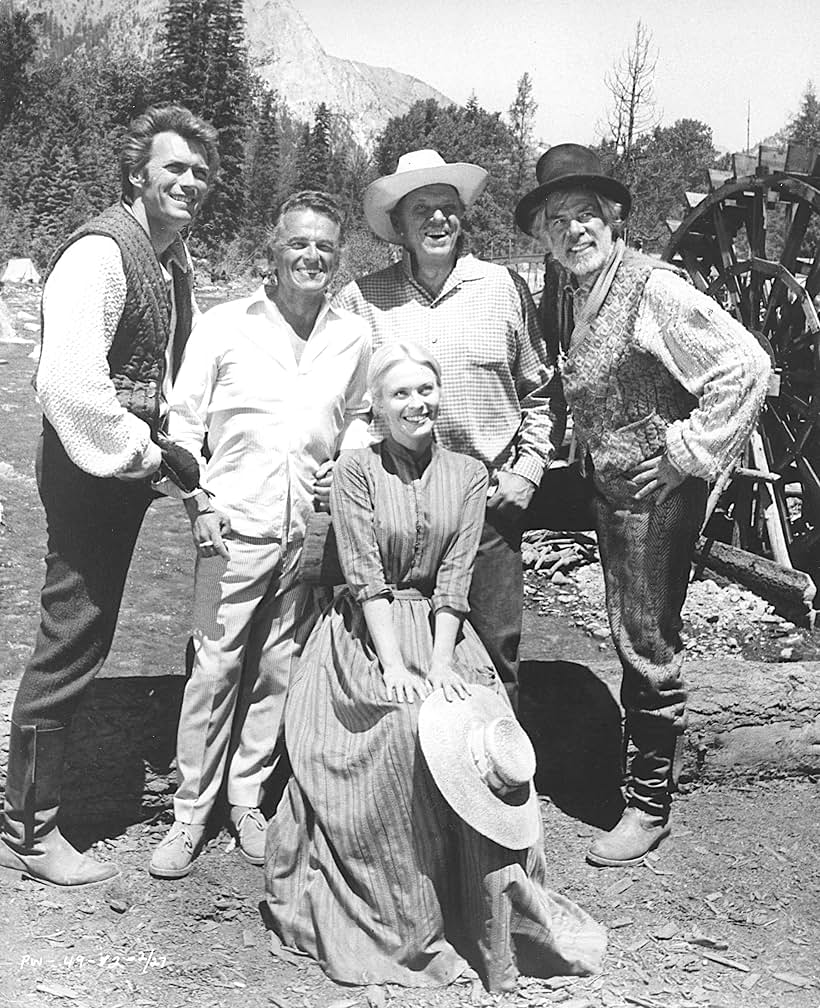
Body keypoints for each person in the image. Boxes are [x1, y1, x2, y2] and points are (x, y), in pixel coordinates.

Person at [264, 340, 605, 992]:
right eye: (400, 394)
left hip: (441, 630)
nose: (416, 403)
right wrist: (395, 666)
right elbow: (364, 576)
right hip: (365, 629)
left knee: (475, 728)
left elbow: (454, 582)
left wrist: (443, 660)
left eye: (426, 390)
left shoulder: (469, 474)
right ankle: (407, 913)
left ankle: (482, 915)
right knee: (397, 728)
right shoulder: (355, 471)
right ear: (377, 407)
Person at [515, 144, 772, 867]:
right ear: (544, 233)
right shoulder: (572, 290)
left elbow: (745, 364)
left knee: (644, 638)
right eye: (558, 220)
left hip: (654, 492)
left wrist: (689, 451)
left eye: (587, 216)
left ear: (615, 218)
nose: (574, 231)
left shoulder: (653, 290)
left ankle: (648, 804)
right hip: (608, 482)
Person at [0, 105, 219, 888]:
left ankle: (39, 806)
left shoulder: (170, 258)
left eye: (199, 171)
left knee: (89, 630)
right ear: (136, 174)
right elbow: (66, 381)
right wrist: (145, 453)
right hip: (90, 466)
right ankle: (27, 825)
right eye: (173, 168)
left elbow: (160, 366)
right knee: (73, 635)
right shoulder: (99, 253)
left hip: (125, 465)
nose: (189, 181)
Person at [148, 191, 371, 879]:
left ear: (337, 259)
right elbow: (180, 425)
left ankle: (247, 800)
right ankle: (190, 815)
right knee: (213, 668)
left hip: (305, 530)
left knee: (277, 668)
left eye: (324, 248)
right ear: (271, 252)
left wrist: (352, 456)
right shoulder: (223, 326)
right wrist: (197, 498)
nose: (310, 256)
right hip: (231, 525)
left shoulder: (352, 336)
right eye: (298, 244)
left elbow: (360, 413)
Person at [335, 150, 565, 707]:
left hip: (485, 504)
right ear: (400, 228)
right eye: (422, 211)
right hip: (391, 503)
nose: (437, 220)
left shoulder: (504, 288)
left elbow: (544, 394)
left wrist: (528, 473)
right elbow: (344, 405)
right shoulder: (362, 300)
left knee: (494, 645)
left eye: (447, 208)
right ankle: (410, 780)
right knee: (385, 645)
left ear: (462, 217)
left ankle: (496, 777)